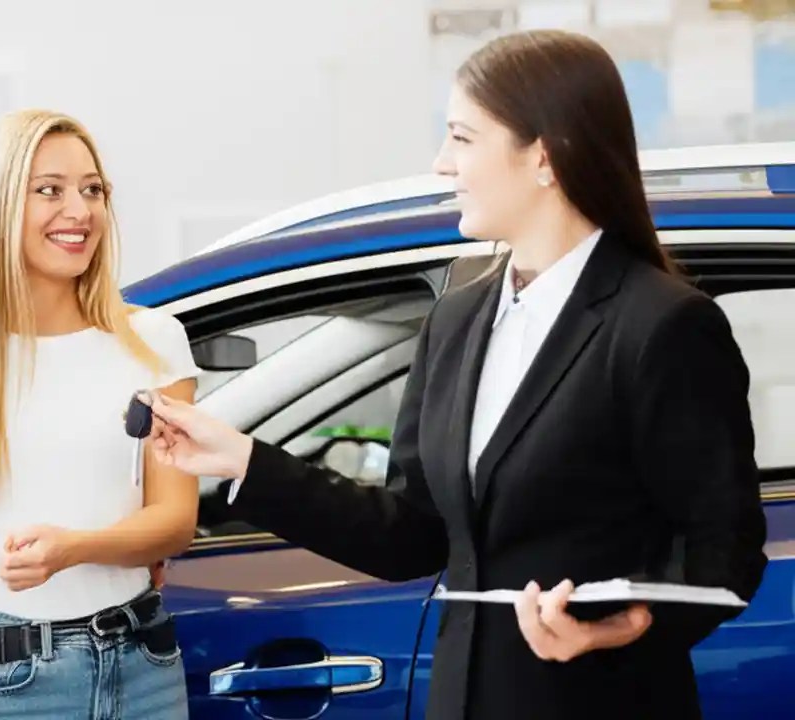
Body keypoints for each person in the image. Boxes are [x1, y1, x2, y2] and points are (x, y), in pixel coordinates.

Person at [142, 29, 768, 720]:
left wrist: (626, 621)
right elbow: (411, 533)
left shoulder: (662, 325)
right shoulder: (457, 319)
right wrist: (243, 462)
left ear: (543, 155)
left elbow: (724, 553)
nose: (443, 165)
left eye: (462, 138)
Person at [0, 108, 200, 719]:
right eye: (49, 190)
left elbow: (176, 519)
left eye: (92, 190)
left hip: (142, 665)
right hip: (8, 682)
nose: (80, 211)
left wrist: (75, 548)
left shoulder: (154, 339)